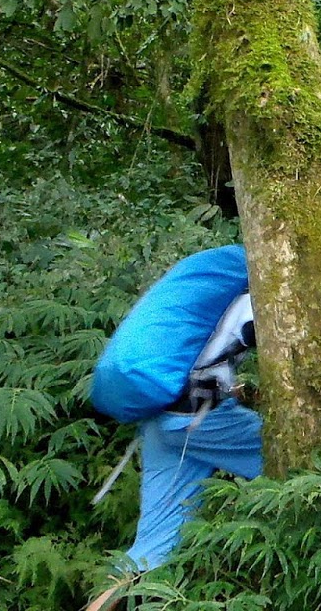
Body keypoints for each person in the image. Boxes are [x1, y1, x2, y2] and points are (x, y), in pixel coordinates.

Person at [87, 246, 262, 609]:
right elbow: (243, 334)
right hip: (196, 420)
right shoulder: (255, 288)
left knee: (150, 550)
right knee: (303, 462)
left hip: (161, 419)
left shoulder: (214, 279)